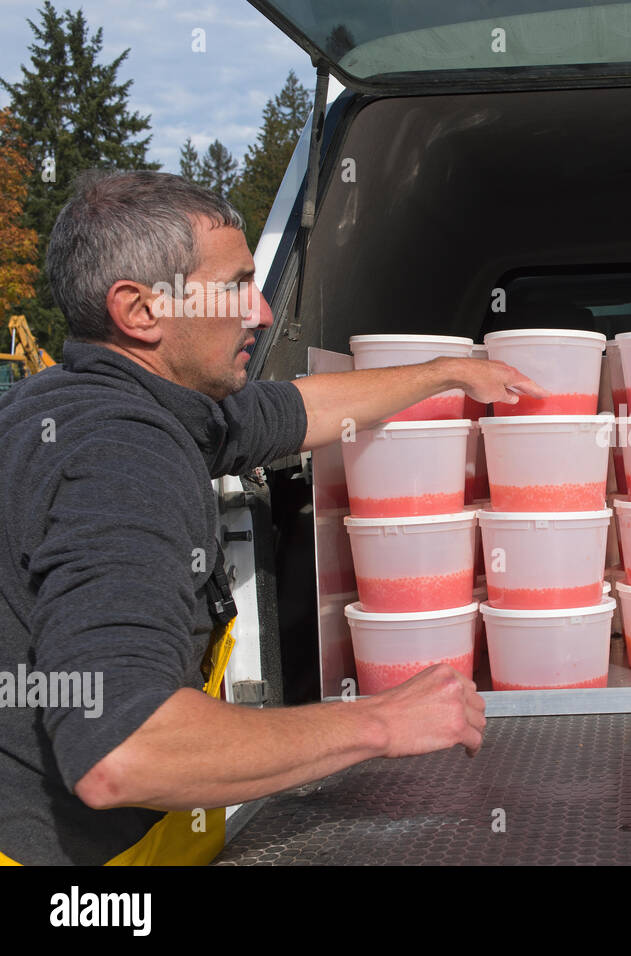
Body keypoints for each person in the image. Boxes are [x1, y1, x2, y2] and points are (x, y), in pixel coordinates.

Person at [0, 171, 547, 866]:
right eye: (234, 285)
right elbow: (123, 750)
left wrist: (445, 373)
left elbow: (296, 409)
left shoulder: (99, 402)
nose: (259, 312)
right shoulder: (121, 459)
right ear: (140, 311)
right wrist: (380, 721)